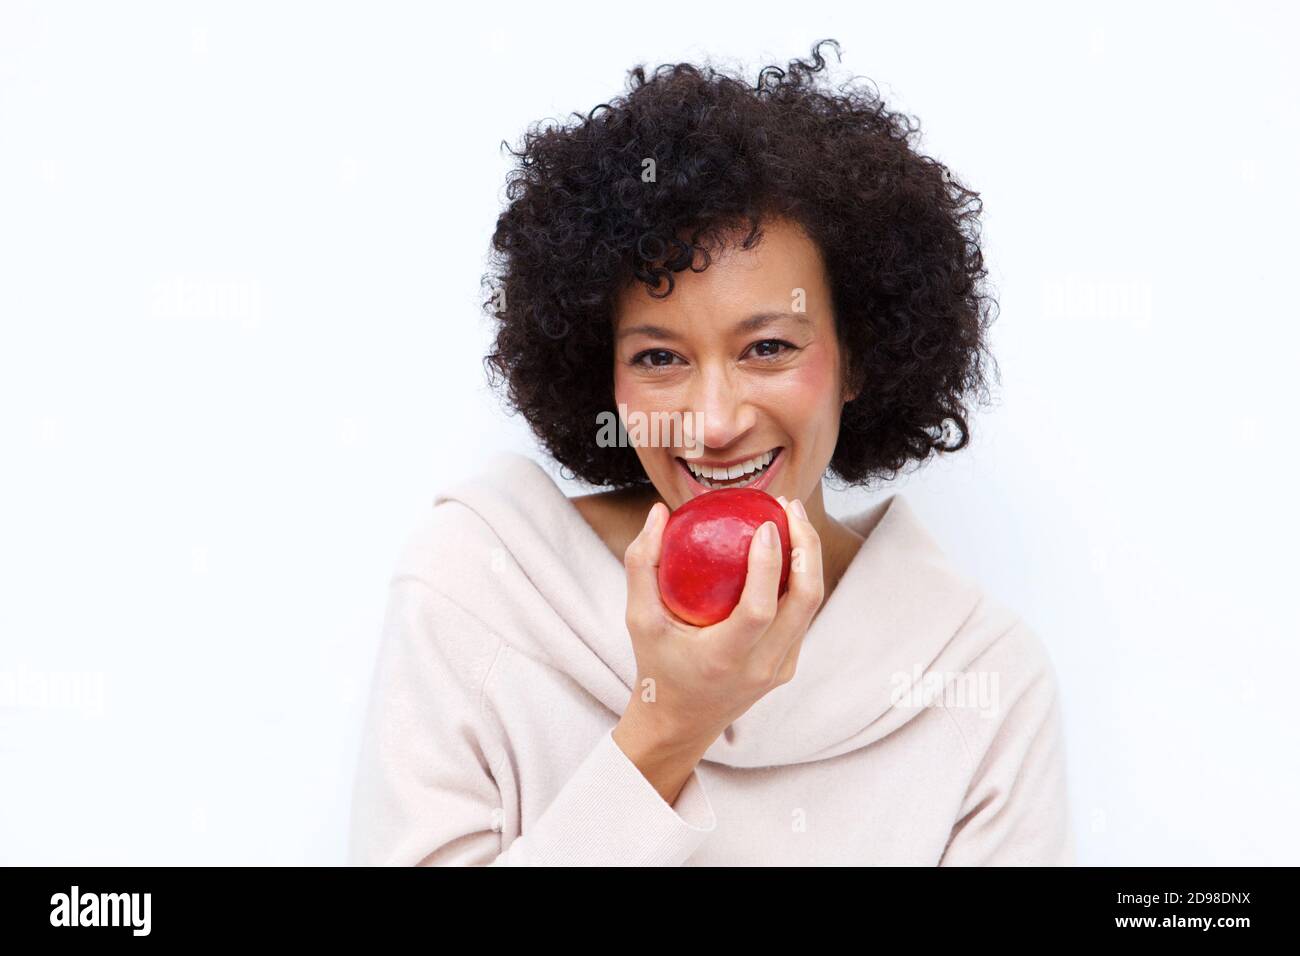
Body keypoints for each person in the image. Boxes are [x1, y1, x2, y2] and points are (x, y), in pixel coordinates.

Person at [347, 40, 1075, 866]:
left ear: (858, 357)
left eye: (768, 348)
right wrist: (668, 726)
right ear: (603, 373)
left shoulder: (982, 683)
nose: (714, 422)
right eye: (659, 358)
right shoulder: (480, 585)